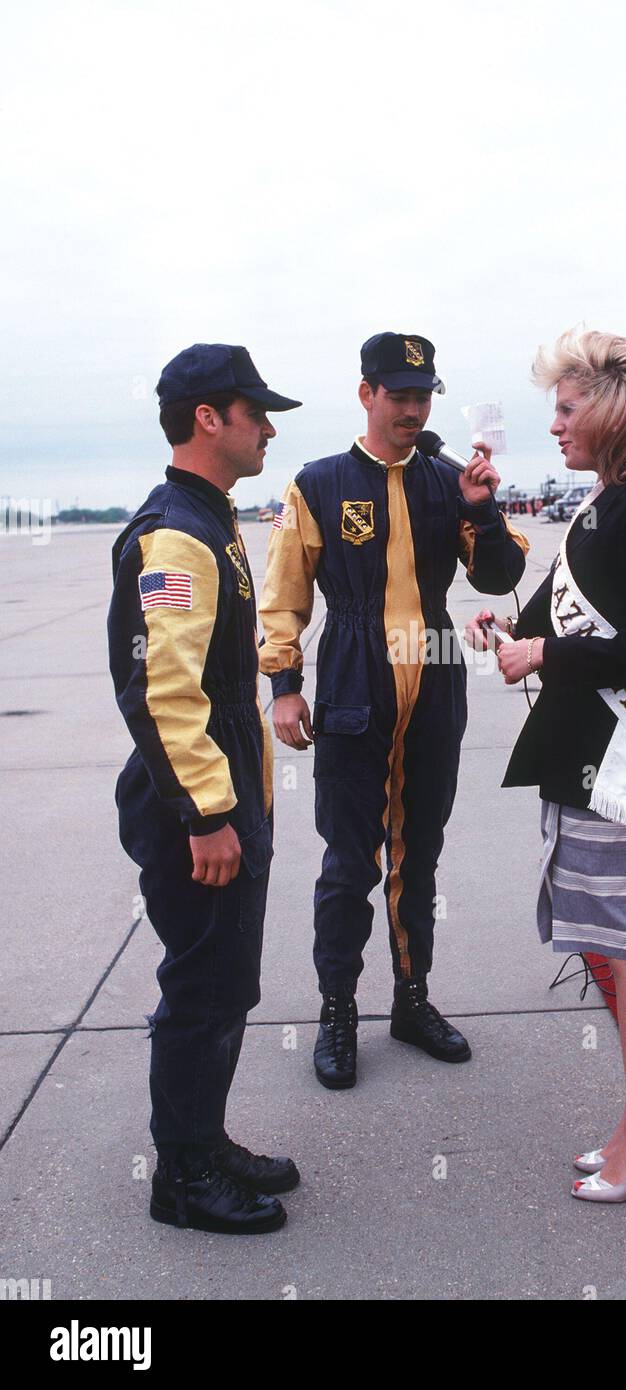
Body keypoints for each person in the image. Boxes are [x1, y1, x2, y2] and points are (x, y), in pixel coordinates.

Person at [259, 332, 529, 1089]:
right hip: (353, 669)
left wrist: (484, 505)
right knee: (350, 862)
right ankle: (337, 1010)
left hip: (435, 670)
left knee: (420, 854)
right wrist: (284, 685)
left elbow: (499, 573)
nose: (412, 408)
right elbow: (283, 594)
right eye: (399, 394)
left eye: (423, 396)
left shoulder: (451, 480)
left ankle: (411, 999)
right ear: (366, 394)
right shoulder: (317, 483)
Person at [466, 327, 626, 1204]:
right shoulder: (608, 501)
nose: (555, 425)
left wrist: (547, 660)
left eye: (567, 408)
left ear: (610, 407)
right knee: (623, 947)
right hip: (590, 760)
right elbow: (558, 616)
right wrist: (513, 636)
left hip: (623, 767)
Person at [108, 344, 301, 1234]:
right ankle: (180, 1179)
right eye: (254, 411)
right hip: (200, 814)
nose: (267, 427)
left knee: (228, 986)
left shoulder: (212, 516)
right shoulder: (176, 530)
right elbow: (163, 690)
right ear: (206, 420)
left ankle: (203, 1138)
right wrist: (210, 816)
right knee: (202, 989)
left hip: (226, 803)